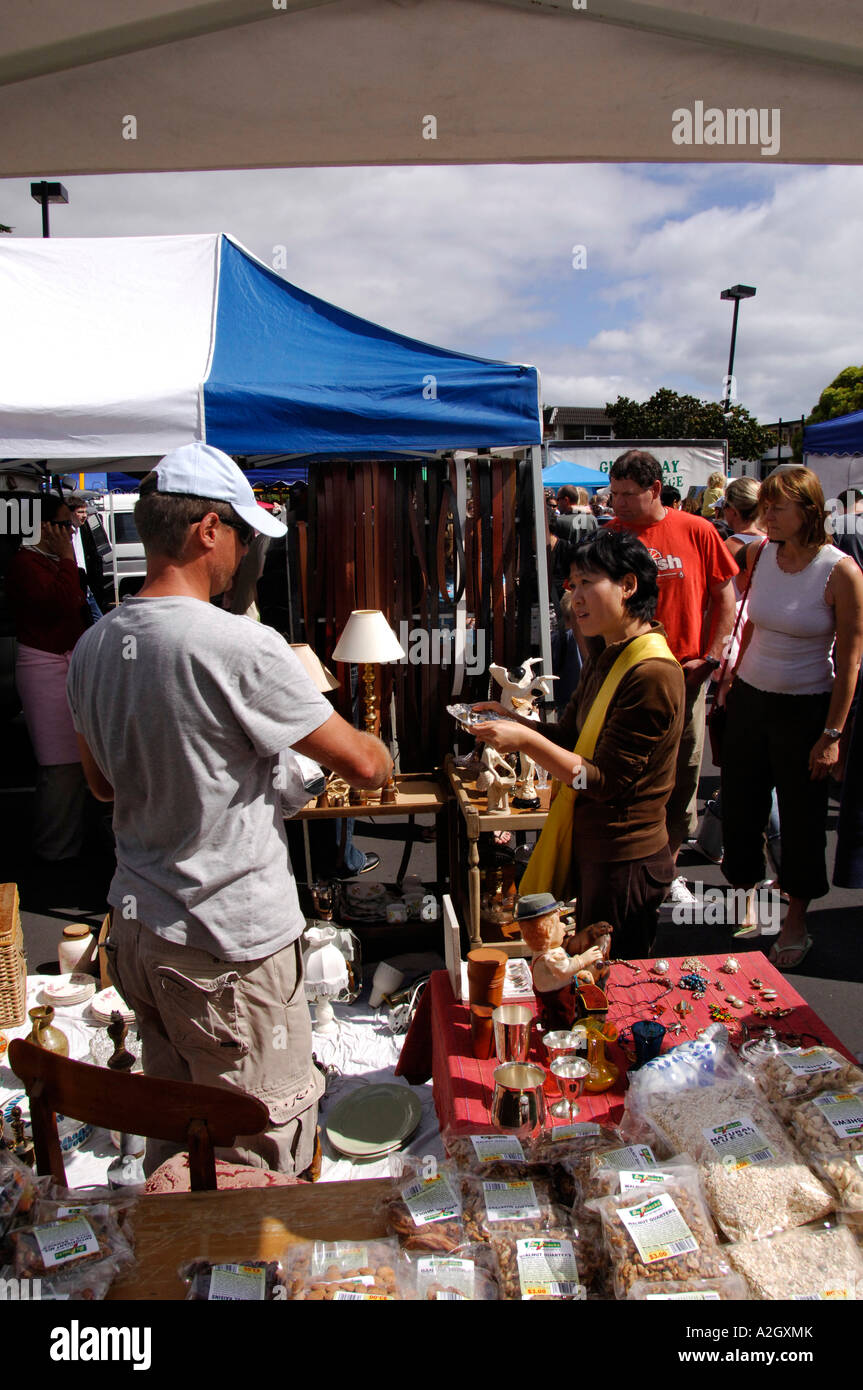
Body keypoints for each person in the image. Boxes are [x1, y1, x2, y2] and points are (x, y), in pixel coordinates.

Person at [66, 443, 393, 1177]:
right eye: (242, 533)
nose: (245, 552)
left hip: (143, 929)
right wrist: (363, 744)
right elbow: (366, 765)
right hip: (226, 940)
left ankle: (183, 1271)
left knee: (179, 1129)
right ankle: (248, 1278)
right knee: (257, 1144)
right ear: (208, 528)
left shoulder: (92, 645)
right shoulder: (237, 643)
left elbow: (101, 785)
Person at [473, 528, 684, 958]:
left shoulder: (651, 672)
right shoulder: (609, 653)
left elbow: (602, 780)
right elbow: (570, 738)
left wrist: (523, 740)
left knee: (612, 982)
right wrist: (511, 719)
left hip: (626, 859)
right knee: (589, 980)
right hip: (597, 849)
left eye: (588, 582)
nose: (576, 596)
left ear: (628, 586)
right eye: (572, 584)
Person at [719, 466, 863, 970]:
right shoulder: (760, 554)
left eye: (778, 507)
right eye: (766, 506)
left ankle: (796, 918)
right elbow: (754, 622)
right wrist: (733, 674)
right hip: (751, 701)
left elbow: (850, 659)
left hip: (807, 709)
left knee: (802, 822)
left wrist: (832, 733)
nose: (768, 516)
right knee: (741, 810)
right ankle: (746, 898)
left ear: (809, 510)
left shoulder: (839, 570)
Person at [606, 450, 737, 906]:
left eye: (627, 495)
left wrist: (712, 657)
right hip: (625, 678)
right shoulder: (609, 536)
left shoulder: (696, 530)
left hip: (686, 675)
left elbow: (726, 595)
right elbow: (580, 604)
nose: (617, 502)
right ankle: (629, 868)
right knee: (627, 773)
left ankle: (668, 869)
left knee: (683, 774)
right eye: (613, 493)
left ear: (655, 490)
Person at [6, 493, 92, 860]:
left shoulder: (45, 561)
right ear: (43, 526)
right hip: (45, 666)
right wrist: (69, 561)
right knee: (60, 765)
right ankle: (55, 849)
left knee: (76, 761)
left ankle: (67, 843)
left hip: (64, 661)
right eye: (64, 524)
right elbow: (62, 602)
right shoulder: (26, 563)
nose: (70, 531)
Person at [66, 491, 103, 622]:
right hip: (73, 585)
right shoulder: (66, 534)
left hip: (85, 585)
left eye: (85, 512)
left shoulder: (83, 530)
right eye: (80, 512)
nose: (84, 516)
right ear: (70, 514)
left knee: (97, 620)